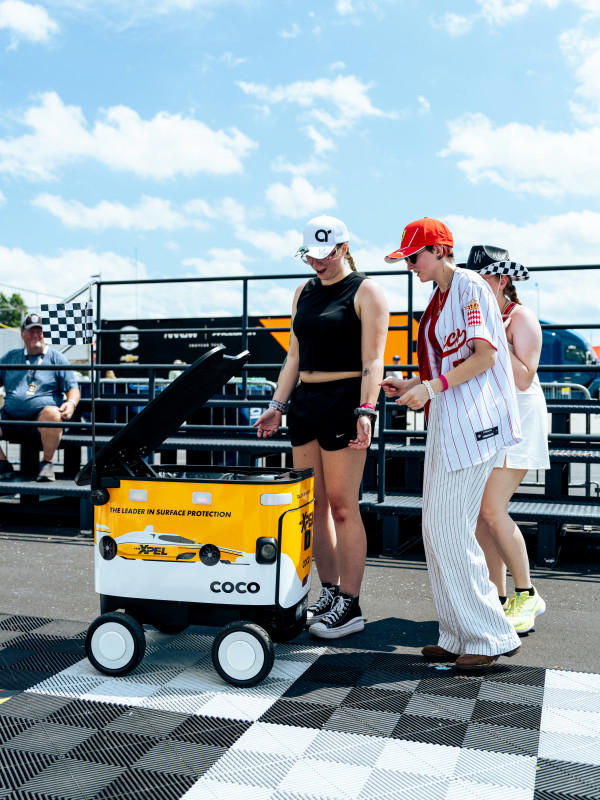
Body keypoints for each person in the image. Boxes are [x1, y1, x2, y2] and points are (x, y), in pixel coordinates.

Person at [380, 218, 522, 671]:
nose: (409, 266)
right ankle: (457, 631)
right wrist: (413, 385)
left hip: (473, 421)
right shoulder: (441, 296)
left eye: (414, 256)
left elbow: (485, 355)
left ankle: (488, 634)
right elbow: (453, 364)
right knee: (435, 527)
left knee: (450, 528)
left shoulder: (470, 286)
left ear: (440, 250)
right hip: (451, 419)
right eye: (406, 258)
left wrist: (432, 387)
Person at [254, 215, 388, 639]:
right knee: (313, 509)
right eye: (310, 256)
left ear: (344, 248)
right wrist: (277, 404)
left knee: (344, 506)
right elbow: (294, 356)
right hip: (305, 404)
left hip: (344, 402)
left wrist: (367, 409)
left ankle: (351, 602)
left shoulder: (367, 291)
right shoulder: (303, 292)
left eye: (325, 256)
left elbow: (373, 360)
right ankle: (329, 591)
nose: (317, 264)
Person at [465, 245, 548, 634]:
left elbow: (524, 377)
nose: (476, 284)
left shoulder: (520, 317)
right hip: (489, 421)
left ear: (502, 280)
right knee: (483, 515)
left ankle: (527, 594)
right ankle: (495, 598)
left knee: (492, 510)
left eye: (484, 277)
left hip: (520, 421)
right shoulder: (477, 317)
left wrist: (493, 331)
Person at [0, 313, 80, 482]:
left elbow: (73, 388)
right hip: (10, 419)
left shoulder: (57, 358)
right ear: (22, 334)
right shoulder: (10, 357)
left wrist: (71, 403)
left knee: (52, 414)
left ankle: (47, 463)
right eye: (30, 331)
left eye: (39, 331)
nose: (35, 335)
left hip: (42, 420)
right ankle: (3, 464)